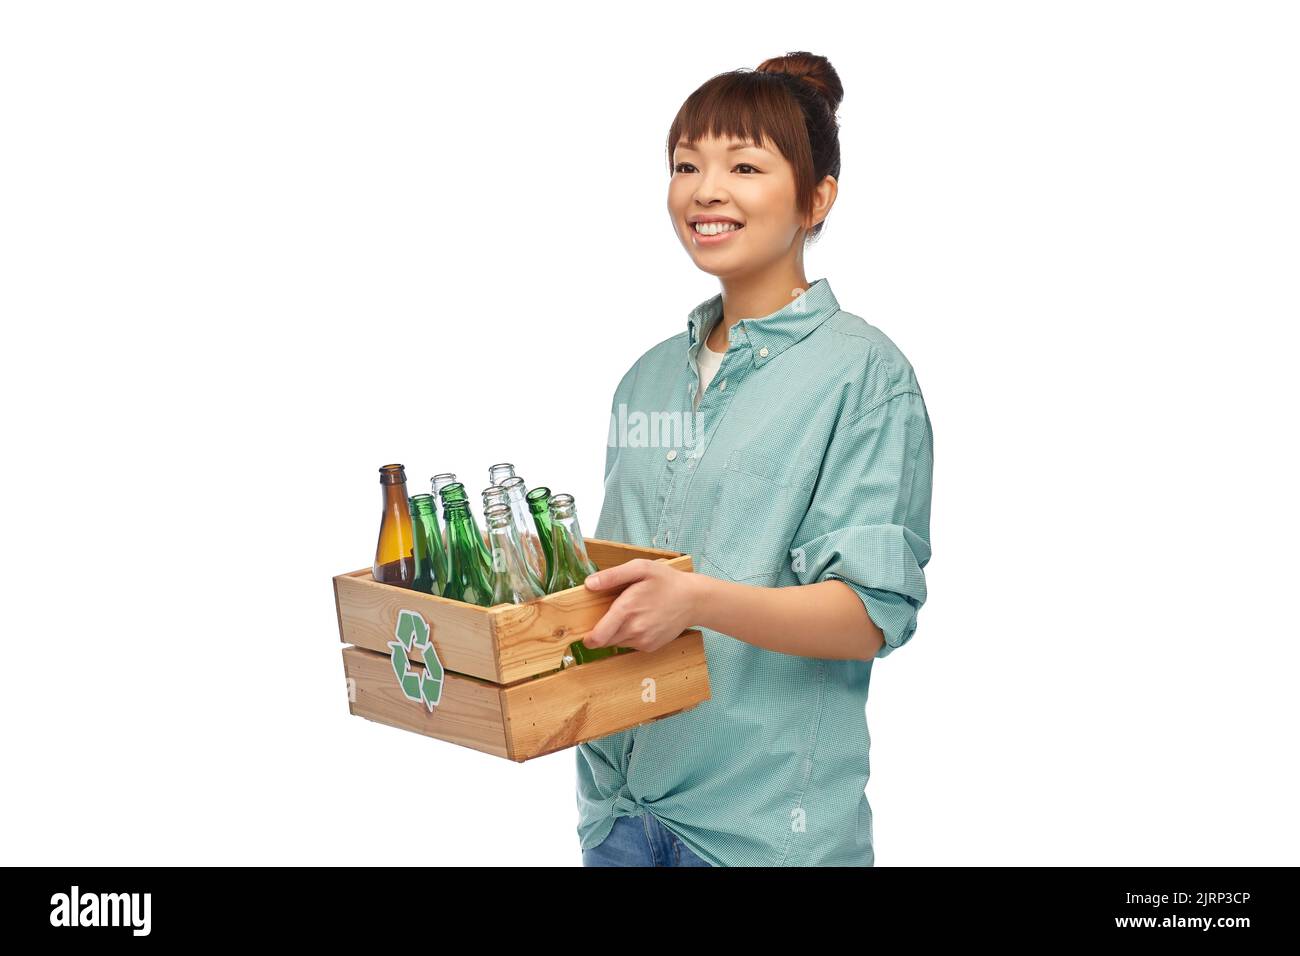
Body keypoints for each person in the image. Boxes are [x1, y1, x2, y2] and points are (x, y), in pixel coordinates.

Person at [577, 51, 935, 867]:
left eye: (744, 164)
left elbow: (869, 615)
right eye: (686, 164)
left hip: (762, 835)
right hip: (619, 817)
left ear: (816, 199)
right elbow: (615, 582)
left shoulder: (864, 376)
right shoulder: (647, 377)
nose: (706, 189)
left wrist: (698, 600)